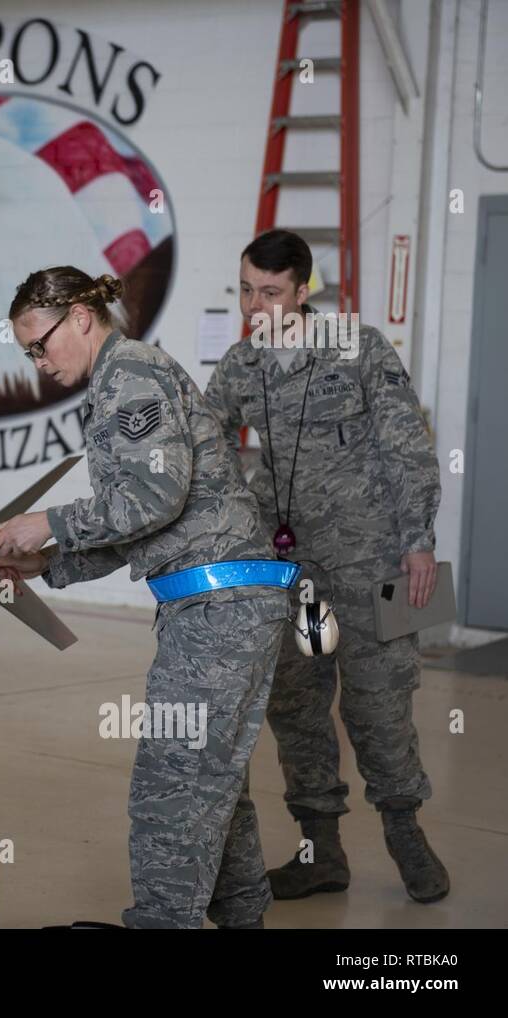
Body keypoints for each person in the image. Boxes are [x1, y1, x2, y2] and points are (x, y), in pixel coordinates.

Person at [0, 266, 293, 929]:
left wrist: (49, 523)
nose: (38, 362)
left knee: (174, 788)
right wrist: (45, 565)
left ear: (78, 316)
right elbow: (139, 522)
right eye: (27, 354)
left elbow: (155, 497)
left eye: (40, 344)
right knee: (214, 778)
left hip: (220, 608)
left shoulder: (131, 375)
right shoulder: (116, 382)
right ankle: (243, 917)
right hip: (216, 604)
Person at [204, 229, 447, 904]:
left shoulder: (360, 347)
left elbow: (407, 444)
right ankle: (322, 852)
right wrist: (239, 505)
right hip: (293, 573)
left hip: (377, 566)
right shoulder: (241, 364)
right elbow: (205, 434)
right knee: (298, 706)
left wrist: (418, 539)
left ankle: (407, 836)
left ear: (304, 291)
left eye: (271, 292)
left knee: (381, 703)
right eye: (247, 290)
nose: (257, 306)